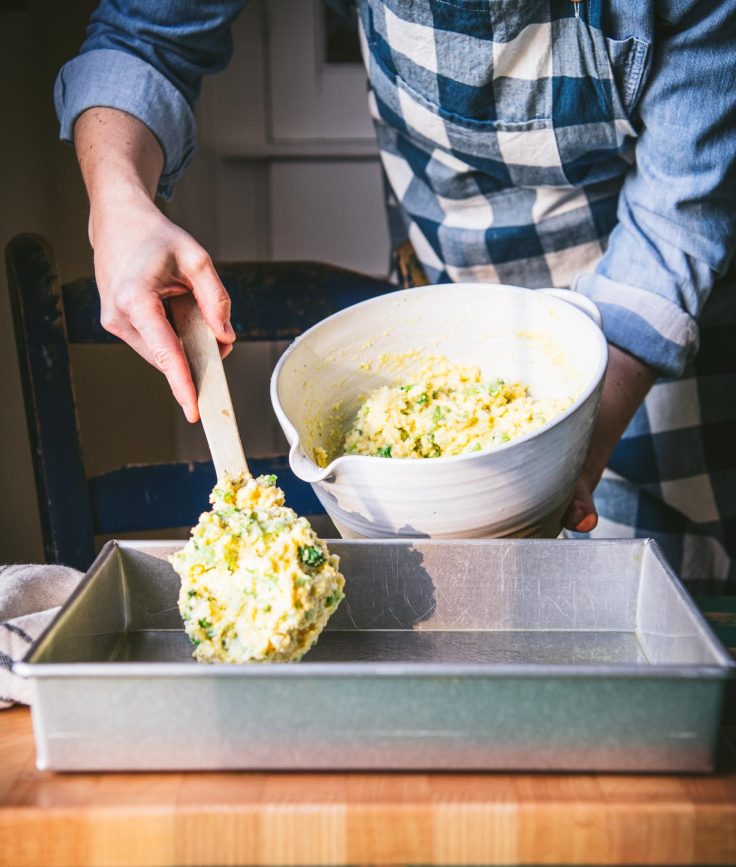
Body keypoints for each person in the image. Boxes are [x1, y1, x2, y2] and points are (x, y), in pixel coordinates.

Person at [55, 1, 736, 591]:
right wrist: (117, 201)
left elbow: (681, 214)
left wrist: (574, 445)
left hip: (650, 324)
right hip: (454, 272)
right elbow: (144, 37)